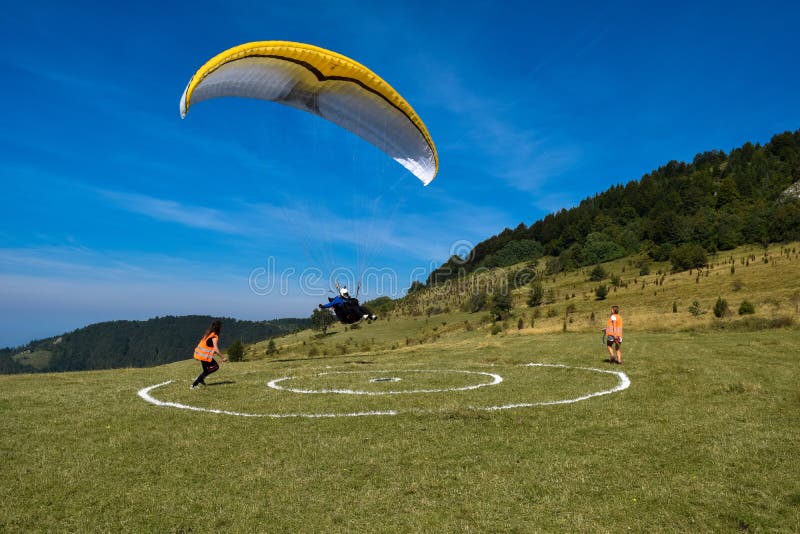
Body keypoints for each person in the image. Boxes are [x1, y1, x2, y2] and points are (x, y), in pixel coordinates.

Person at [191, 320, 227, 389]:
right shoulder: (214, 336)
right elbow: (216, 349)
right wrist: (223, 357)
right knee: (216, 367)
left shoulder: (208, 334)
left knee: (206, 370)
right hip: (204, 356)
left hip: (200, 354)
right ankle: (194, 384)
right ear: (219, 329)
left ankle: (201, 380)